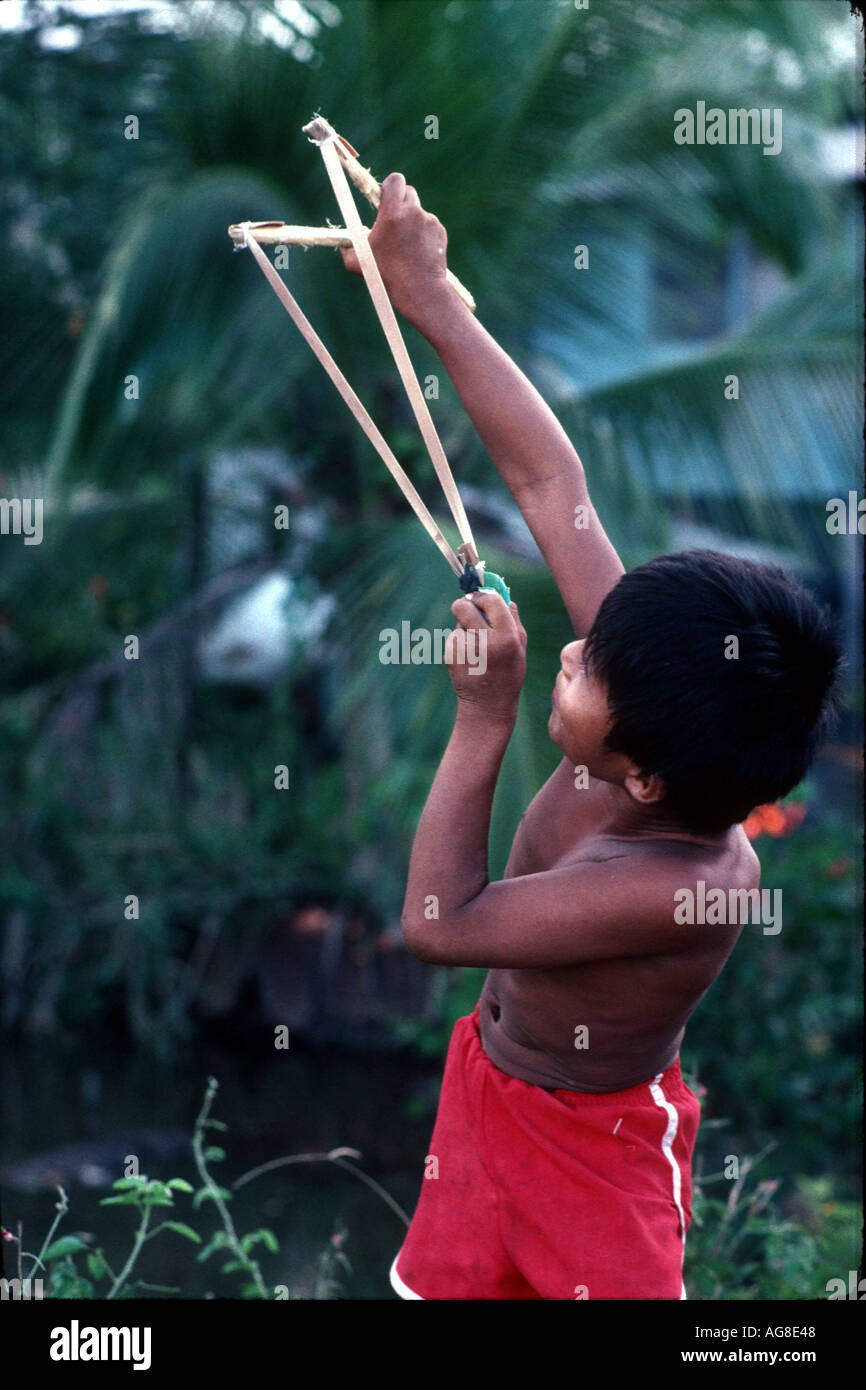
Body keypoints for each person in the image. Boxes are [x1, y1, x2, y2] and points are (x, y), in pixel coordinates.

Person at [341, 174, 843, 1300]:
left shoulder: (679, 879)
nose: (572, 647)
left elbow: (438, 924)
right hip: (487, 1091)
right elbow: (547, 475)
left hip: (593, 1152)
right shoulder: (650, 699)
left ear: (645, 773)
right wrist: (430, 298)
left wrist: (482, 715)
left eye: (581, 671)